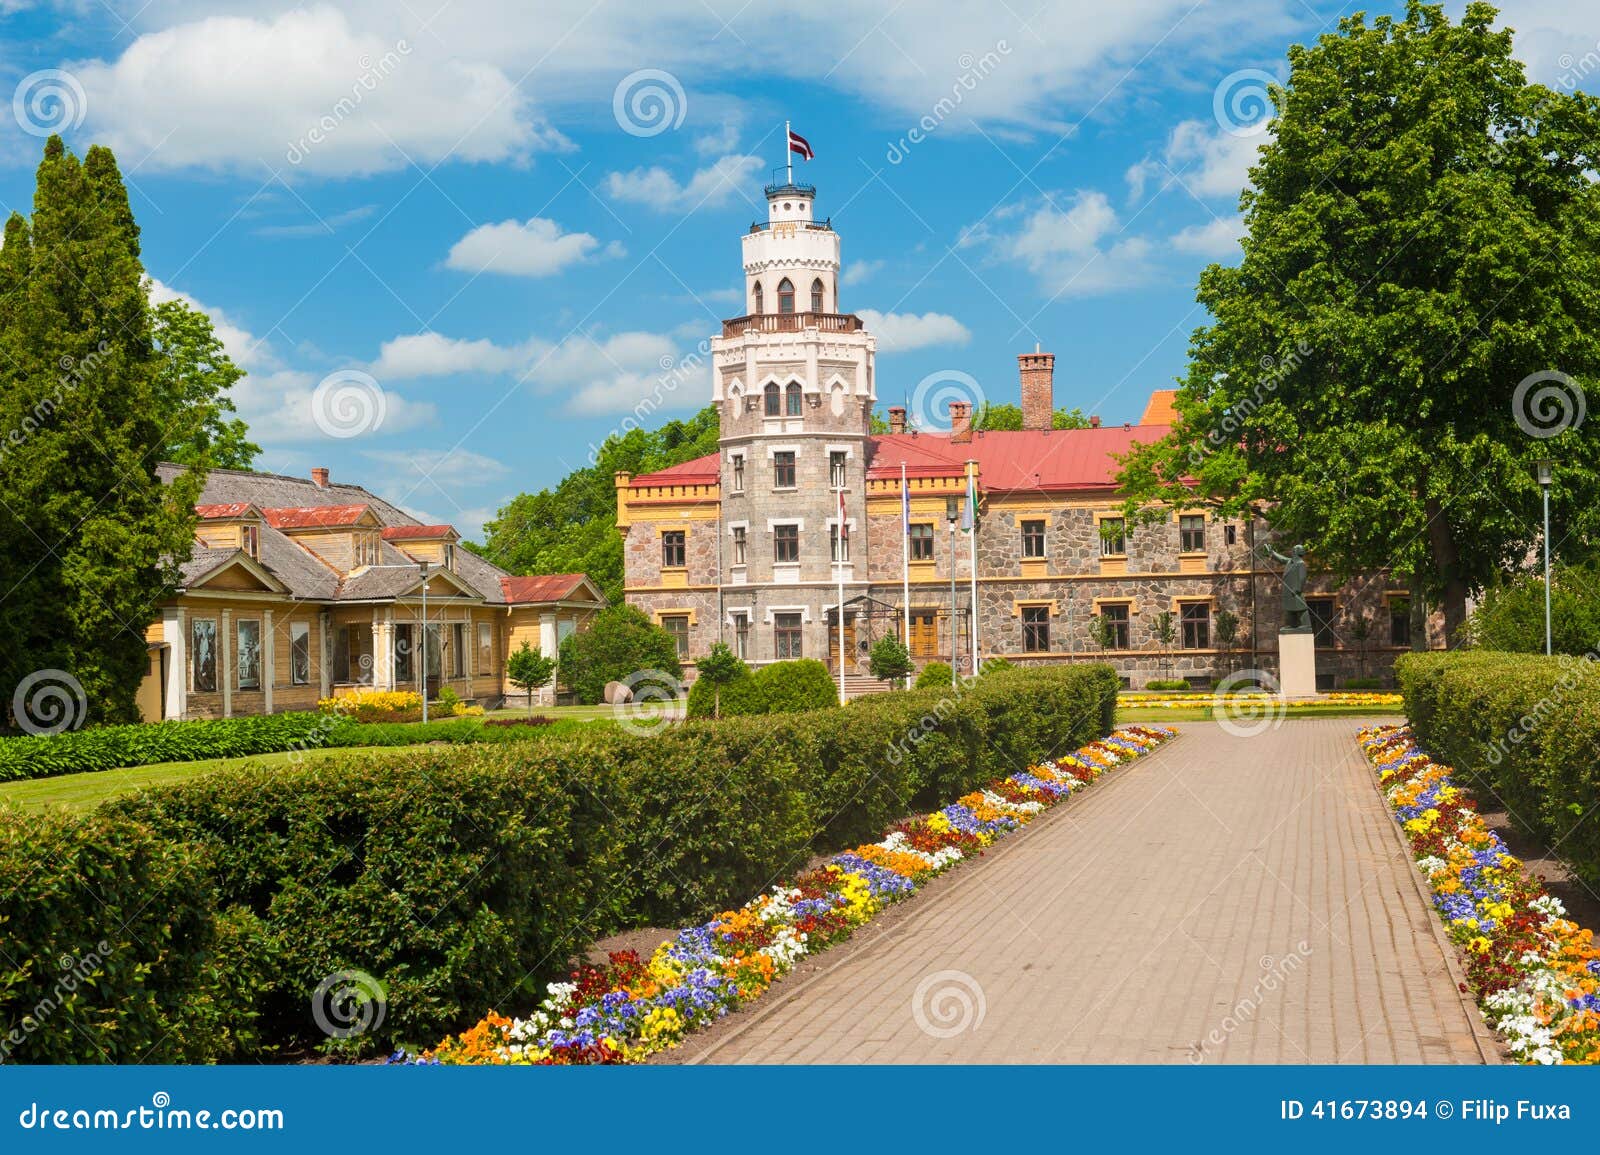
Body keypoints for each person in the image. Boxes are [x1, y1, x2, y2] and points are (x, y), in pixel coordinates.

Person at [1259, 541, 1311, 632]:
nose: (1292, 552)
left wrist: (1298, 588)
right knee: (1290, 607)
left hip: (1295, 590)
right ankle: (1293, 625)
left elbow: (1302, 577)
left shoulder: (1300, 563)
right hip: (1288, 590)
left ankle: (1306, 625)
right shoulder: (1290, 562)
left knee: (1301, 607)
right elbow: (1281, 559)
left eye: (1294, 550)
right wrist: (1272, 552)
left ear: (1296, 552)